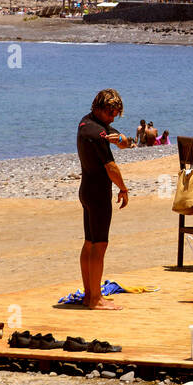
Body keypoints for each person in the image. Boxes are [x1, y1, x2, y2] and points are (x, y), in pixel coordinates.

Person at [76, 89, 135, 309]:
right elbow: (111, 167)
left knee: (90, 242)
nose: (112, 118)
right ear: (99, 108)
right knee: (100, 245)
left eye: (115, 114)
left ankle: (89, 294)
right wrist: (124, 189)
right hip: (99, 194)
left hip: (86, 191)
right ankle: (95, 299)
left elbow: (123, 140)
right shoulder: (97, 134)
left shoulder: (87, 123)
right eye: (110, 113)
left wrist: (122, 139)